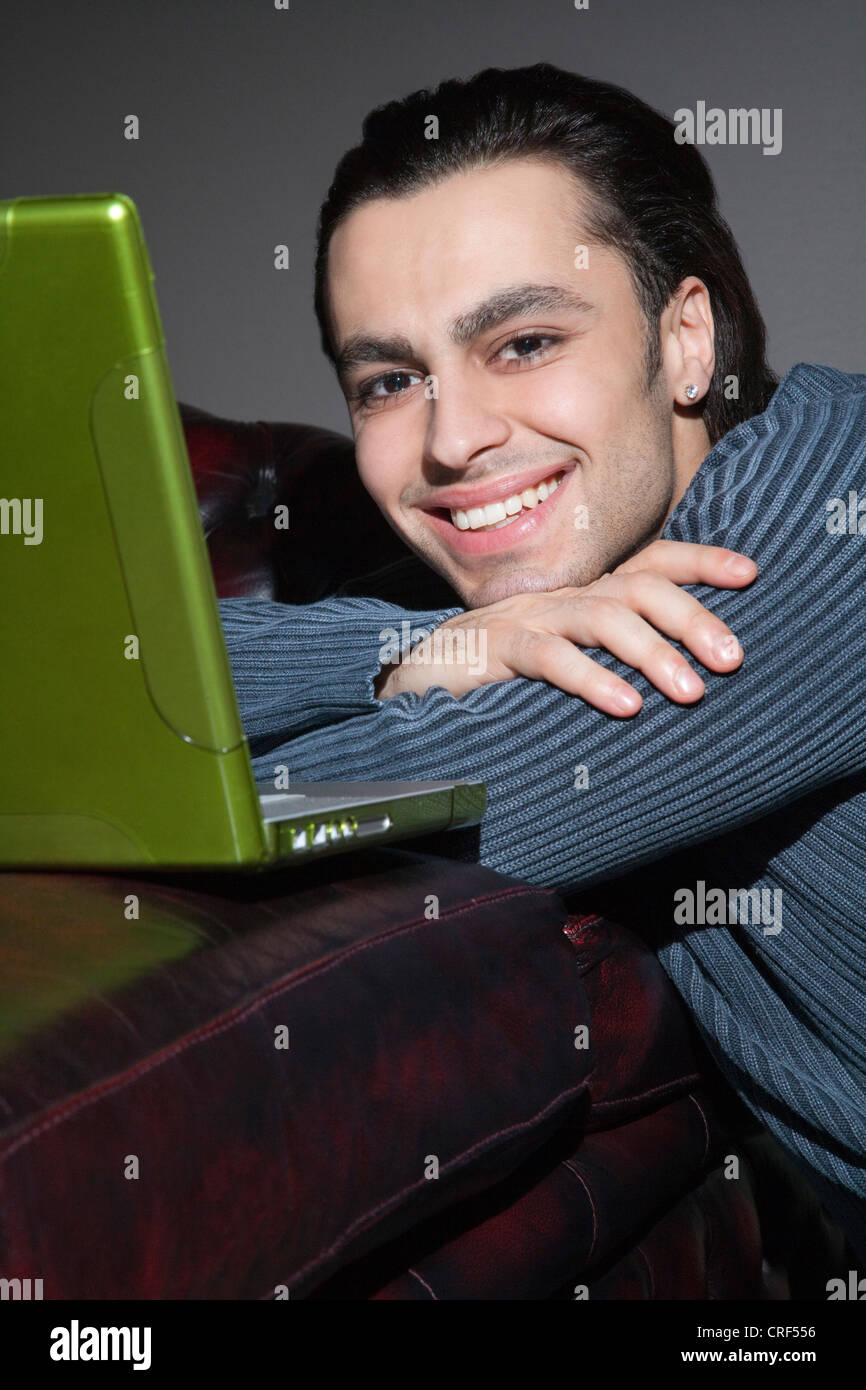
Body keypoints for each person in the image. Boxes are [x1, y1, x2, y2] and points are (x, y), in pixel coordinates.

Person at [218, 65, 866, 1253]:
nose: (454, 438)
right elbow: (99, 676)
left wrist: (427, 659)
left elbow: (282, 803)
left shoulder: (829, 517)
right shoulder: (564, 592)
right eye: (390, 380)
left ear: (684, 341)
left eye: (521, 341)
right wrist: (418, 645)